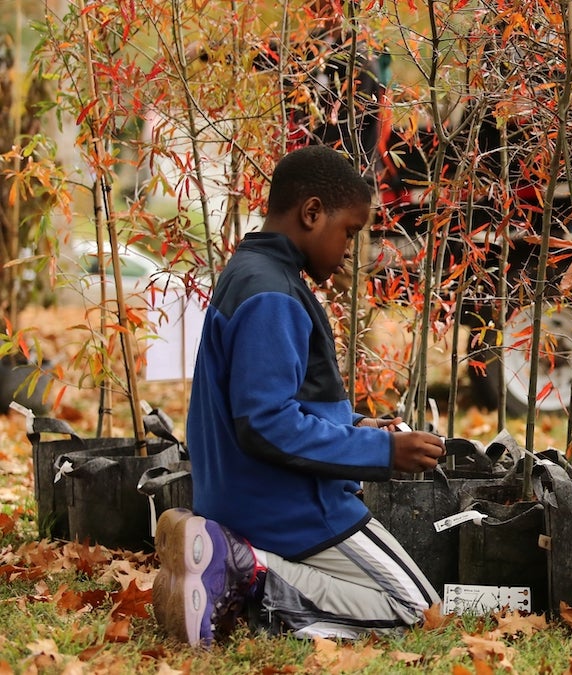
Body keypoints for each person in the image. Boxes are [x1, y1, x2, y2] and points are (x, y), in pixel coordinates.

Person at [152, 145, 447, 646]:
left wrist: (353, 426)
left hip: (243, 494)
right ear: (312, 213)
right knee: (417, 613)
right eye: (349, 232)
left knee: (397, 602)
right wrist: (382, 451)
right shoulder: (273, 293)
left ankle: (228, 576)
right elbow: (265, 423)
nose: (350, 249)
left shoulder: (251, 273)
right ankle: (245, 568)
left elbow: (276, 401)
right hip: (287, 505)